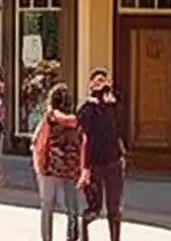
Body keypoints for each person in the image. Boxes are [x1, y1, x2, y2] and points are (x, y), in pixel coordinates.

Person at [77, 68, 126, 241]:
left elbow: (120, 125)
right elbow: (83, 124)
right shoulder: (87, 109)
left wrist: (111, 102)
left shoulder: (113, 106)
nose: (101, 85)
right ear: (91, 85)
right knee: (94, 208)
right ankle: (83, 231)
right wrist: (93, 102)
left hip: (113, 162)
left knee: (114, 208)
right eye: (97, 81)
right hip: (95, 164)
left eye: (103, 81)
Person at [32, 82, 81, 241]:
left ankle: (47, 238)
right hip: (71, 166)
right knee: (72, 205)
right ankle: (72, 236)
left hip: (49, 166)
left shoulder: (50, 117)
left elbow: (36, 139)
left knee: (47, 205)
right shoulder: (75, 121)